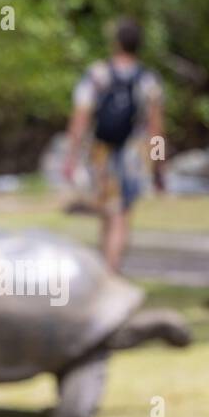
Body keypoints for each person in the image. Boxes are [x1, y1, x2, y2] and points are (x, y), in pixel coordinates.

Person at [63, 17, 165, 272]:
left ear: (116, 42)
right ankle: (111, 272)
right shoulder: (148, 80)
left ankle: (108, 274)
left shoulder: (98, 74)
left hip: (101, 150)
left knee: (109, 212)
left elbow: (80, 118)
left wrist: (71, 156)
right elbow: (157, 130)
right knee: (121, 215)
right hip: (134, 151)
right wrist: (158, 164)